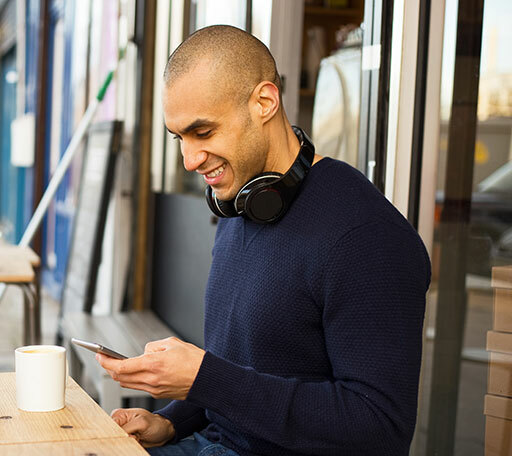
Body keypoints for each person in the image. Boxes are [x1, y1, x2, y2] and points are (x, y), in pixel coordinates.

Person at [95, 25, 430, 456]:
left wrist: (205, 378)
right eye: (180, 138)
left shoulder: (367, 238)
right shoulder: (243, 200)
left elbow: (380, 427)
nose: (190, 160)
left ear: (265, 103)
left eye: (204, 132)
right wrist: (169, 421)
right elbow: (244, 375)